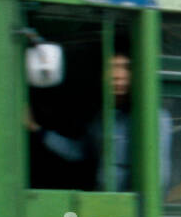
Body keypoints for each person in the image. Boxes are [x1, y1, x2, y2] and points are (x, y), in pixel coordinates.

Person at [26, 51, 132, 191]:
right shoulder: (101, 120)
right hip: (104, 203)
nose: (118, 75)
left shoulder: (153, 117)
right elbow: (78, 151)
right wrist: (37, 130)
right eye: (112, 68)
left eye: (124, 67)